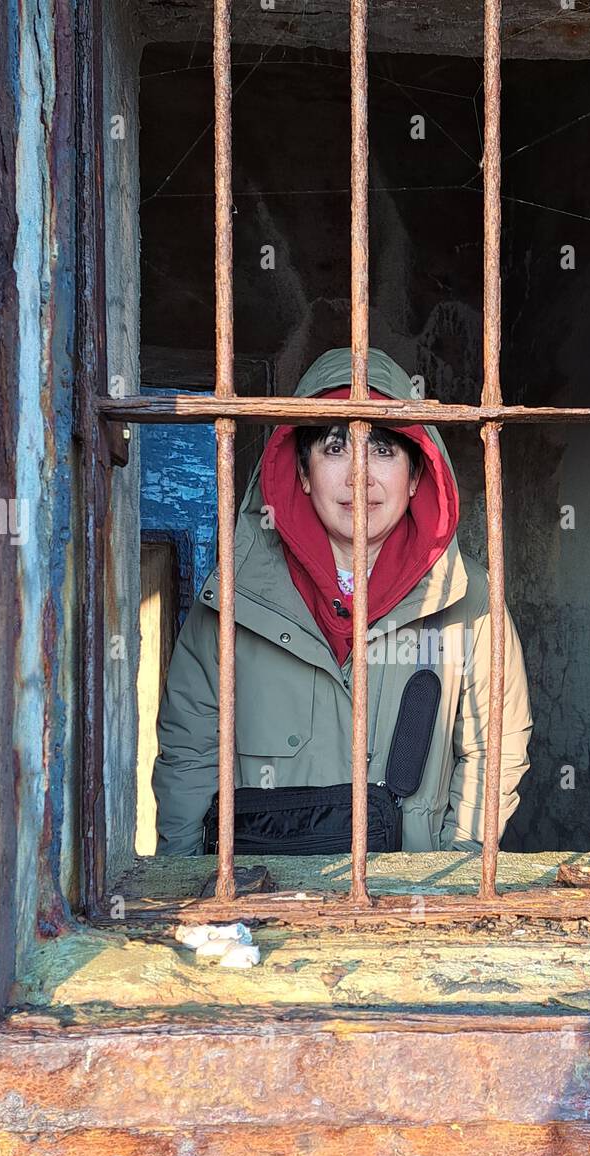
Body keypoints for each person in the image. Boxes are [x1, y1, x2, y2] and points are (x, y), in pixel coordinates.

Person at [152, 346, 532, 855]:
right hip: (260, 903)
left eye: (382, 449)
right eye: (335, 448)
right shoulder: (233, 597)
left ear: (417, 473)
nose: (359, 475)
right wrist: (186, 882)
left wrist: (450, 873)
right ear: (303, 473)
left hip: (406, 908)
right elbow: (188, 753)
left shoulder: (470, 599)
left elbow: (495, 749)